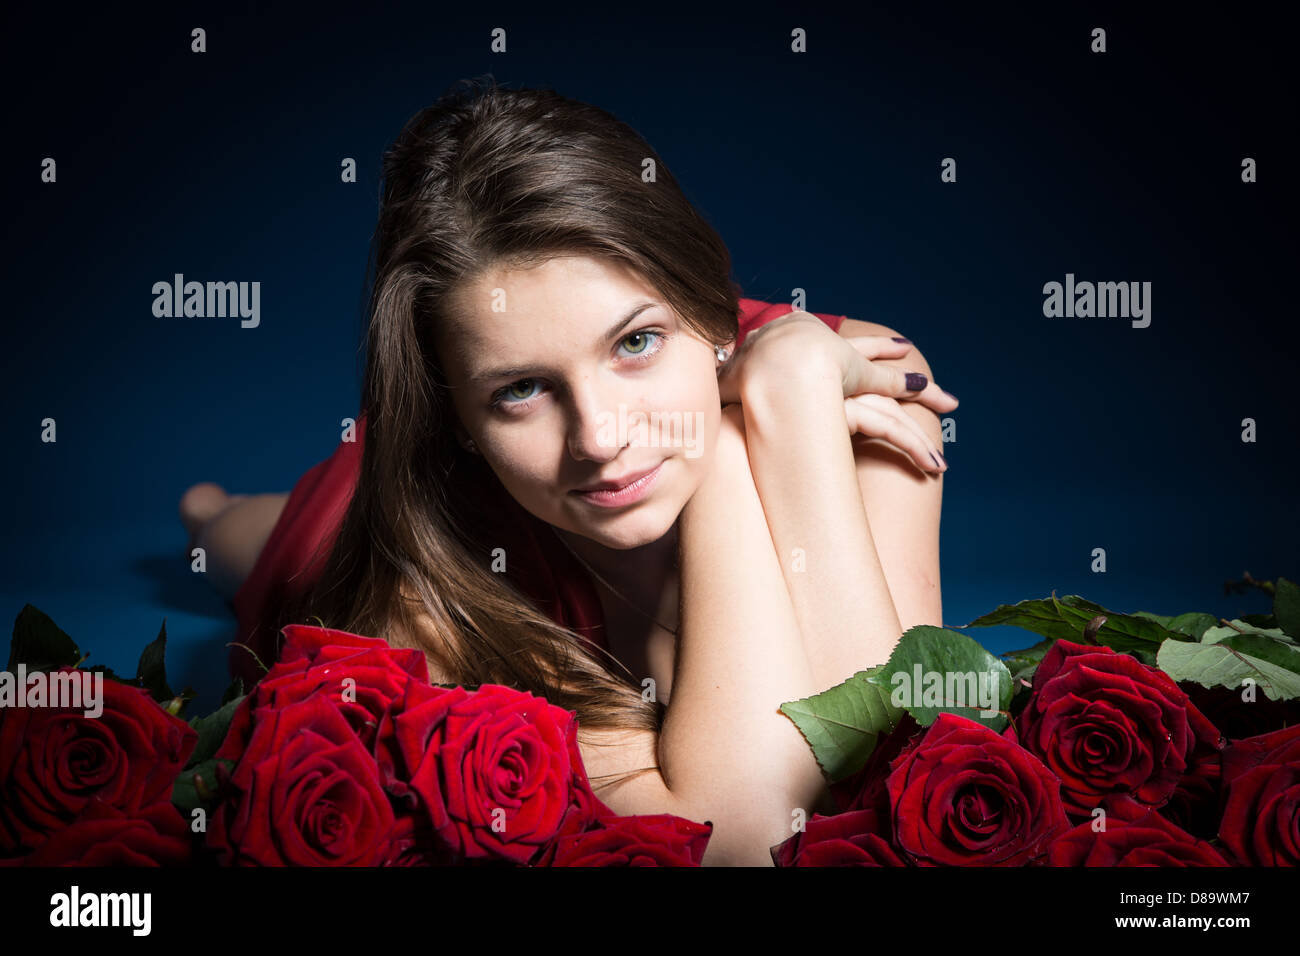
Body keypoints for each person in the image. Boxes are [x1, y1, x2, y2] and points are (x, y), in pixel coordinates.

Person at [178, 76, 958, 865]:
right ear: (459, 416)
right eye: (523, 389)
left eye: (636, 342)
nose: (600, 437)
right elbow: (737, 840)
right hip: (409, 502)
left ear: (715, 312)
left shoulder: (840, 373)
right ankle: (209, 511)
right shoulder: (423, 590)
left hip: (713, 389)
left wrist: (787, 394)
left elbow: (893, 740)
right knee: (245, 538)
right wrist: (721, 446)